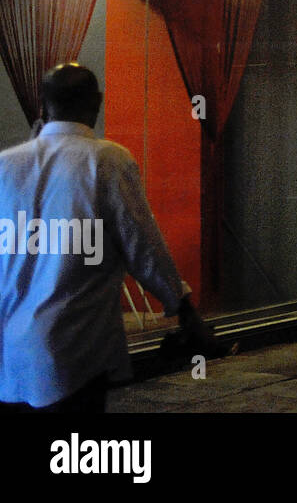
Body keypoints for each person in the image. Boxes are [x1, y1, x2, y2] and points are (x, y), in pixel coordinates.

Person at [0, 63, 221, 412]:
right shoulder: (106, 160)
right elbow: (143, 246)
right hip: (76, 350)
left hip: (9, 354)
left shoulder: (5, 165)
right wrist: (181, 306)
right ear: (97, 101)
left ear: (42, 104)